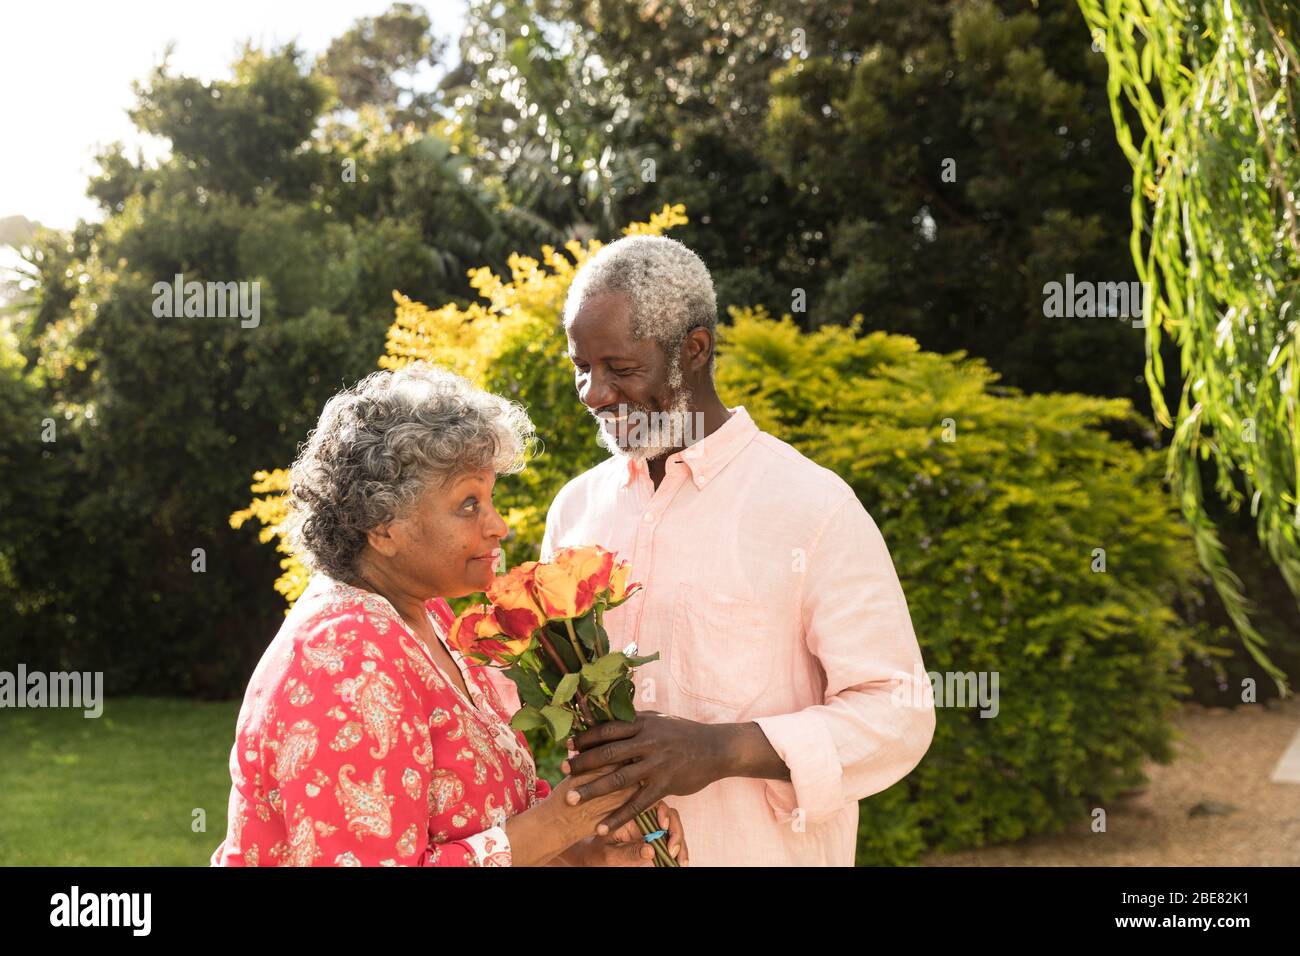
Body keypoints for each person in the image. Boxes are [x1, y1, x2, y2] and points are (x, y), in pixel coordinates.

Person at [528, 234, 935, 866]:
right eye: (581, 366)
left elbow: (898, 712)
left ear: (694, 349)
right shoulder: (576, 509)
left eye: (621, 369)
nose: (593, 394)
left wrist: (721, 751)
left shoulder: (812, 507)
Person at [211, 362, 686, 866]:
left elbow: (485, 824)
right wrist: (562, 821)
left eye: (490, 499)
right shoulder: (344, 657)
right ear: (383, 526)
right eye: (467, 504)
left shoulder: (423, 618)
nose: (498, 526)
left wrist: (585, 855)